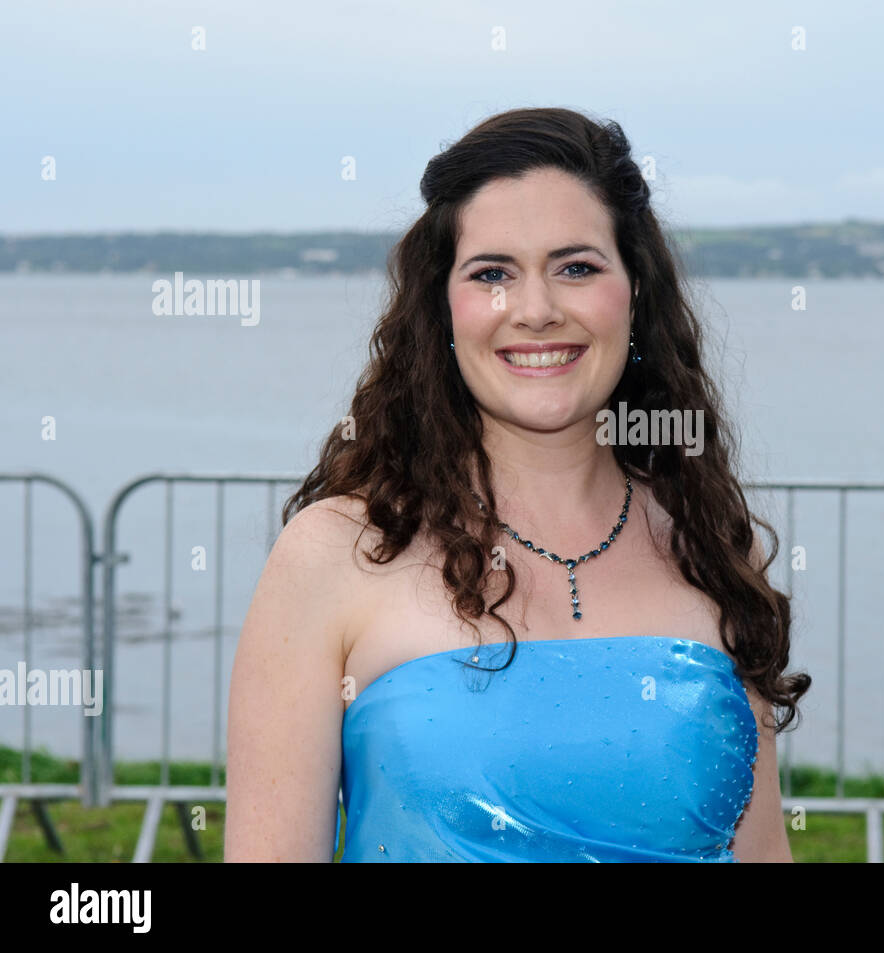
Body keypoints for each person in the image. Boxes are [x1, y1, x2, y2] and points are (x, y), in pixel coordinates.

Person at [224, 107, 810, 862]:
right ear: (443, 306)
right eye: (493, 273)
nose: (535, 311)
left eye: (576, 267)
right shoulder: (334, 554)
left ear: (636, 295)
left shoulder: (713, 551)